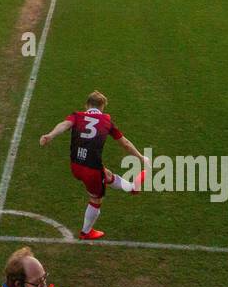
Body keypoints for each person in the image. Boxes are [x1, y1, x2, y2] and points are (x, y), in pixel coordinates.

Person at [38, 90, 147, 240]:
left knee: (106, 174)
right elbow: (126, 144)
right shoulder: (106, 121)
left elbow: (64, 125)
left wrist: (50, 135)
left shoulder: (77, 116)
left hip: (76, 165)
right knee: (96, 199)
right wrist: (141, 157)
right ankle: (86, 232)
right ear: (102, 107)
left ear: (87, 105)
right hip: (91, 170)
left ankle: (131, 187)